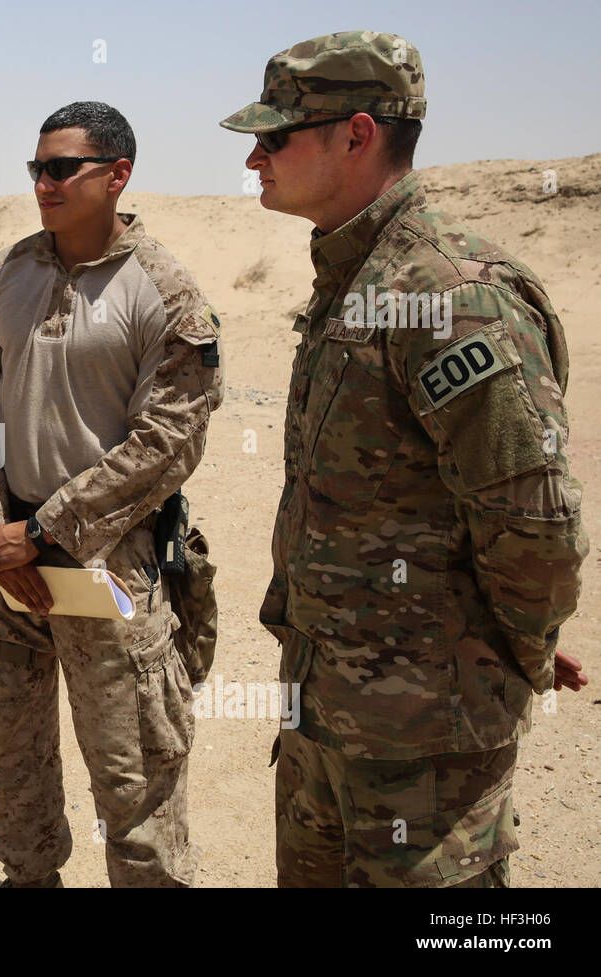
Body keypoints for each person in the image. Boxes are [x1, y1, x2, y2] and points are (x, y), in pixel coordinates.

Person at [219, 31, 588, 887]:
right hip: (325, 722)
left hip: (425, 747)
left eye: (276, 135)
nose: (254, 156)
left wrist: (511, 653)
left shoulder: (448, 297)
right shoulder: (355, 276)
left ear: (356, 134)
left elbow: (535, 522)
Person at [0, 101, 224, 887]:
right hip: (3, 565)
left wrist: (45, 532)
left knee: (132, 775)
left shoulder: (164, 291)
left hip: (108, 566)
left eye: (63, 167)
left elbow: (167, 441)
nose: (45, 182)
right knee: (11, 770)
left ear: (118, 174)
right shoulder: (2, 275)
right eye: (37, 168)